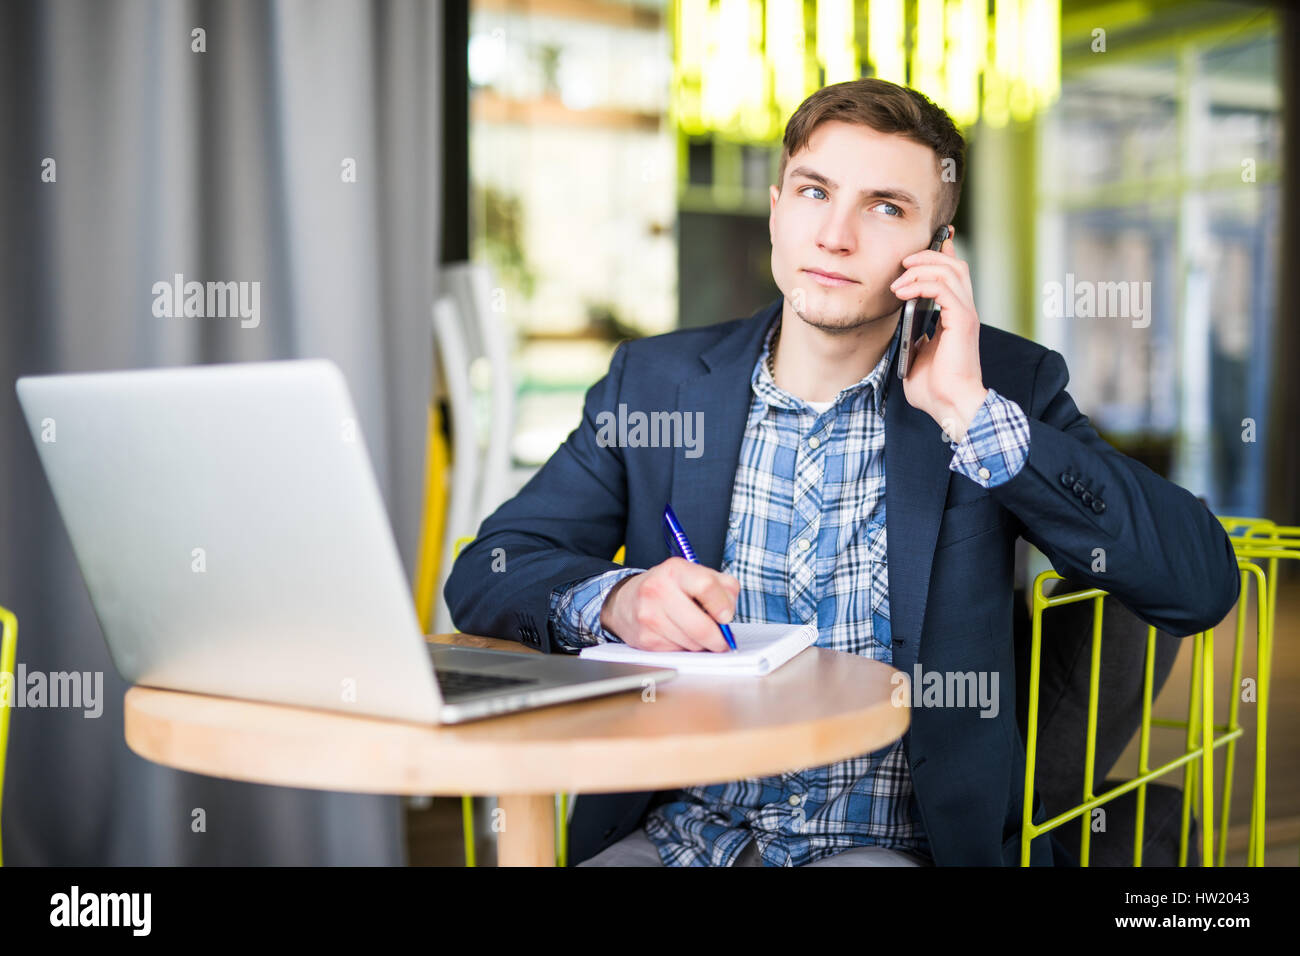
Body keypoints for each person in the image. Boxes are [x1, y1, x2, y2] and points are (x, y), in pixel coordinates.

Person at [444, 77, 1240, 867]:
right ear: (776, 209)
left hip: (882, 846)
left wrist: (972, 414)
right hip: (676, 831)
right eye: (814, 191)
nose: (835, 235)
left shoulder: (1005, 385)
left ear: (937, 251)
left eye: (885, 207)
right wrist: (618, 598)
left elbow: (1199, 582)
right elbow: (488, 569)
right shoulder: (653, 383)